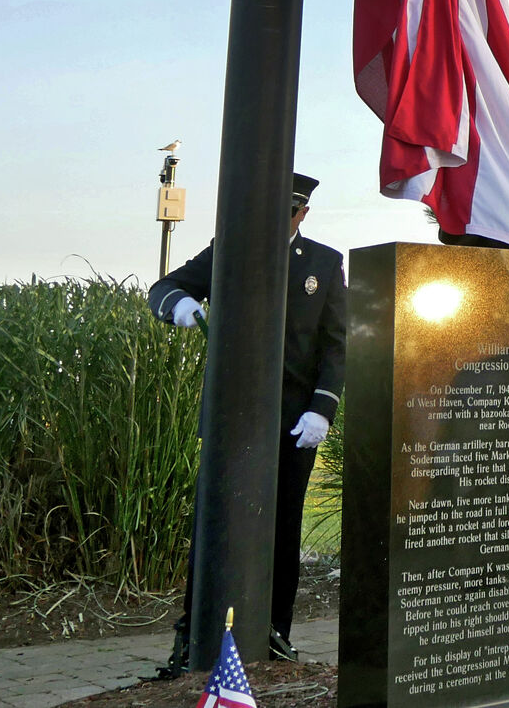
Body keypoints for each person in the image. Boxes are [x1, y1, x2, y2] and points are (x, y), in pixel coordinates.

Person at [151, 173, 347, 671]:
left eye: (290, 212)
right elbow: (163, 287)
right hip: (231, 417)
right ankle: (193, 636)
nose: (279, 220)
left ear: (302, 214)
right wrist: (180, 304)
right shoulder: (230, 250)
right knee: (215, 525)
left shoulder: (323, 263)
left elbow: (335, 346)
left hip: (294, 421)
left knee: (283, 527)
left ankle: (275, 634)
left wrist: (322, 408)